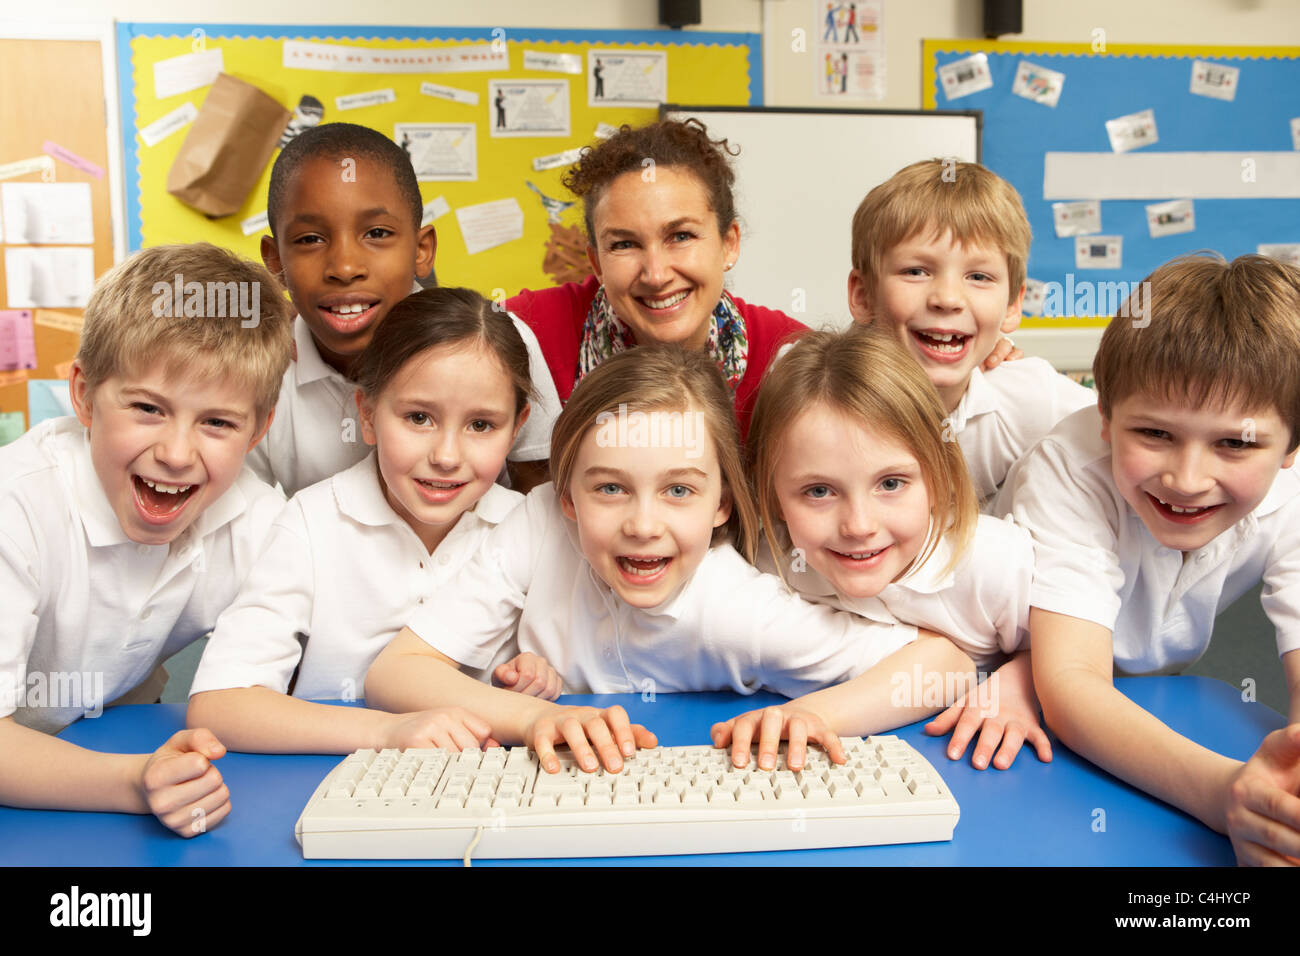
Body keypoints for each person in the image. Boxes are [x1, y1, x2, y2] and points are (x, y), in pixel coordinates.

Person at [366, 345, 942, 776]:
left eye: (678, 491)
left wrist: (817, 716)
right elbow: (396, 671)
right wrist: (536, 719)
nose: (643, 526)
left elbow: (944, 665)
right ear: (567, 496)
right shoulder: (542, 524)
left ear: (722, 502)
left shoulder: (737, 609)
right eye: (610, 489)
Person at [998, 253, 1300, 866]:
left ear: (1293, 445)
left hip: (1141, 689)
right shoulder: (1068, 470)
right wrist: (1227, 797)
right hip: (997, 681)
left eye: (1234, 444)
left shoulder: (1292, 495)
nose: (1187, 479)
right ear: (1105, 417)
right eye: (1155, 434)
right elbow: (1072, 683)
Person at [187, 289, 561, 754]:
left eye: (481, 425)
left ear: (517, 427)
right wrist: (388, 734)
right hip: (332, 782)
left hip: (493, 787)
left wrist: (538, 675)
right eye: (419, 417)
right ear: (367, 414)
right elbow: (220, 705)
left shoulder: (527, 526)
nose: (446, 456)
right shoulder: (310, 523)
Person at [0, 243, 292, 836]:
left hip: (91, 744)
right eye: (147, 408)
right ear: (83, 395)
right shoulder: (17, 506)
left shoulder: (256, 519)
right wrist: (135, 782)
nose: (177, 454)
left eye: (217, 422)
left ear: (259, 428)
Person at [712, 326, 1051, 772]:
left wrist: (1020, 683)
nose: (859, 526)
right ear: (772, 495)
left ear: (938, 477)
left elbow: (1077, 648)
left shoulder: (994, 563)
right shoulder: (769, 559)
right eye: (818, 491)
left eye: (890, 484)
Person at [250, 122, 561, 496]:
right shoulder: (255, 367)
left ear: (421, 250)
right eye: (310, 239)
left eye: (377, 233)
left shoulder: (496, 340)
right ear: (275, 261)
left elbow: (540, 494)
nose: (346, 268)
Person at [504, 119, 806, 441]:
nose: (656, 275)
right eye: (624, 244)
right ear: (596, 263)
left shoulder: (789, 358)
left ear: (729, 243)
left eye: (680, 236)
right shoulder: (525, 335)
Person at [848, 158, 1095, 506]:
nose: (948, 299)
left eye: (978, 277)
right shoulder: (820, 402)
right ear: (863, 296)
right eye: (916, 271)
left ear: (1012, 306)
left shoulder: (1031, 395)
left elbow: (1129, 432)